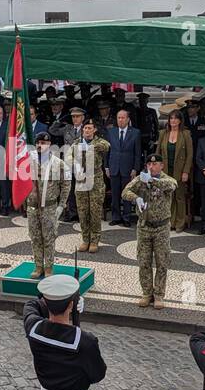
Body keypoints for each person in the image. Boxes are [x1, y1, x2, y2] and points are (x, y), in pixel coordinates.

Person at [123, 153, 176, 308]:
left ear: (162, 166)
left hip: (161, 228)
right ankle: (147, 293)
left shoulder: (167, 179)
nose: (152, 167)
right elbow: (125, 192)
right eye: (149, 165)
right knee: (144, 261)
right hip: (144, 227)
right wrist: (136, 198)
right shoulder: (141, 179)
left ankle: (159, 295)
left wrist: (152, 181)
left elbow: (171, 186)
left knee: (162, 262)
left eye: (155, 164)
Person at [25, 134, 68, 277]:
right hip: (32, 206)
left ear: (49, 144)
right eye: (37, 142)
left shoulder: (58, 163)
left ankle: (49, 266)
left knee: (49, 237)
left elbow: (66, 184)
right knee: (35, 237)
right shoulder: (28, 162)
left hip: (49, 207)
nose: (39, 145)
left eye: (43, 142)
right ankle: (38, 266)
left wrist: (62, 204)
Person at [72, 119, 109, 253]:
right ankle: (85, 239)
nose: (87, 130)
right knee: (82, 211)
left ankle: (94, 240)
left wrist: (90, 147)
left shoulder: (99, 142)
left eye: (90, 128)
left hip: (95, 181)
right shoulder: (77, 143)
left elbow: (106, 146)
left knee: (95, 211)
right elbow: (70, 156)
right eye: (85, 128)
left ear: (94, 130)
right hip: (81, 180)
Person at [156, 109, 193, 231]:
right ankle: (170, 222)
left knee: (179, 197)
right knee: (168, 196)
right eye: (171, 118)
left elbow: (189, 155)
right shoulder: (163, 133)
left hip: (180, 170)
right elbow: (158, 153)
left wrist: (186, 171)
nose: (173, 121)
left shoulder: (186, 134)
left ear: (180, 120)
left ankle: (180, 223)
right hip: (166, 170)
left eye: (176, 118)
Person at [106, 107, 142, 228]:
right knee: (115, 194)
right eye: (119, 118)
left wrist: (135, 168)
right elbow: (107, 151)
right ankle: (116, 217)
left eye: (123, 118)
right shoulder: (111, 132)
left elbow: (138, 153)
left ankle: (126, 217)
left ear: (127, 119)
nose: (120, 120)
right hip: (114, 166)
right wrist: (106, 167)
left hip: (128, 167)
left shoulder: (135, 133)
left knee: (127, 193)